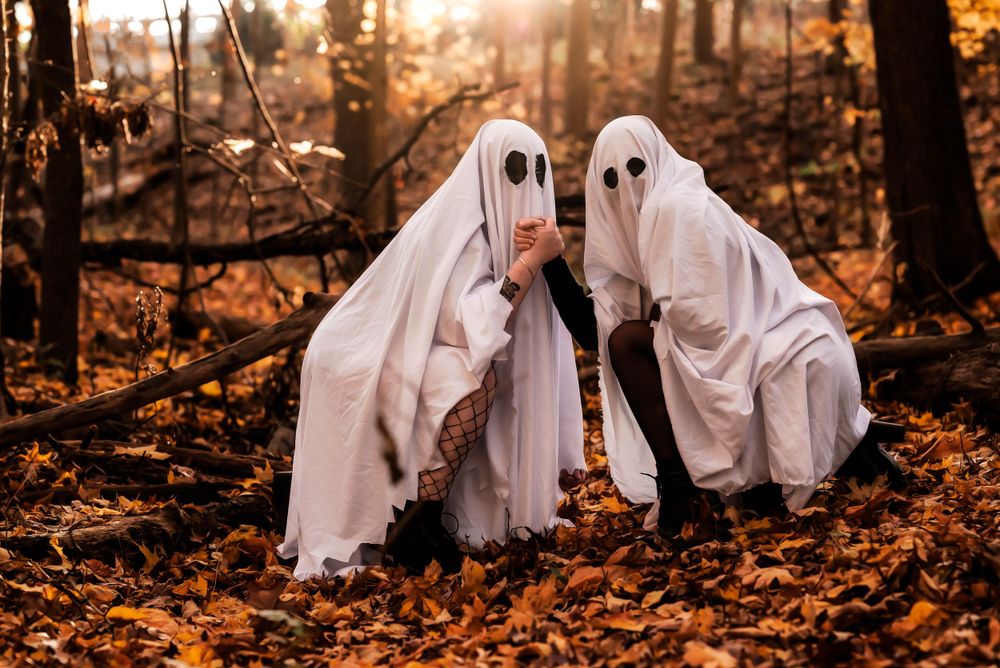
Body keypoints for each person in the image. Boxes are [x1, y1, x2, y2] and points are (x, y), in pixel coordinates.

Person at [515, 116, 901, 539]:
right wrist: (550, 260)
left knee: (630, 341)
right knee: (623, 341)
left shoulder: (682, 208)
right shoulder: (633, 235)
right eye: (611, 178)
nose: (627, 185)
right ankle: (683, 486)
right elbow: (596, 334)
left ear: (657, 161)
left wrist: (658, 324)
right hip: (738, 349)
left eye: (636, 168)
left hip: (775, 343)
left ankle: (698, 486)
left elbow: (706, 322)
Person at [278, 120, 585, 579]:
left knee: (475, 372)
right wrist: (529, 262)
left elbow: (552, 339)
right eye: (515, 169)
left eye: (539, 171)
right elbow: (471, 329)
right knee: (474, 379)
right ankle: (418, 519)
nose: (528, 185)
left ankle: (435, 514)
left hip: (423, 350)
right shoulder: (460, 229)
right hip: (368, 358)